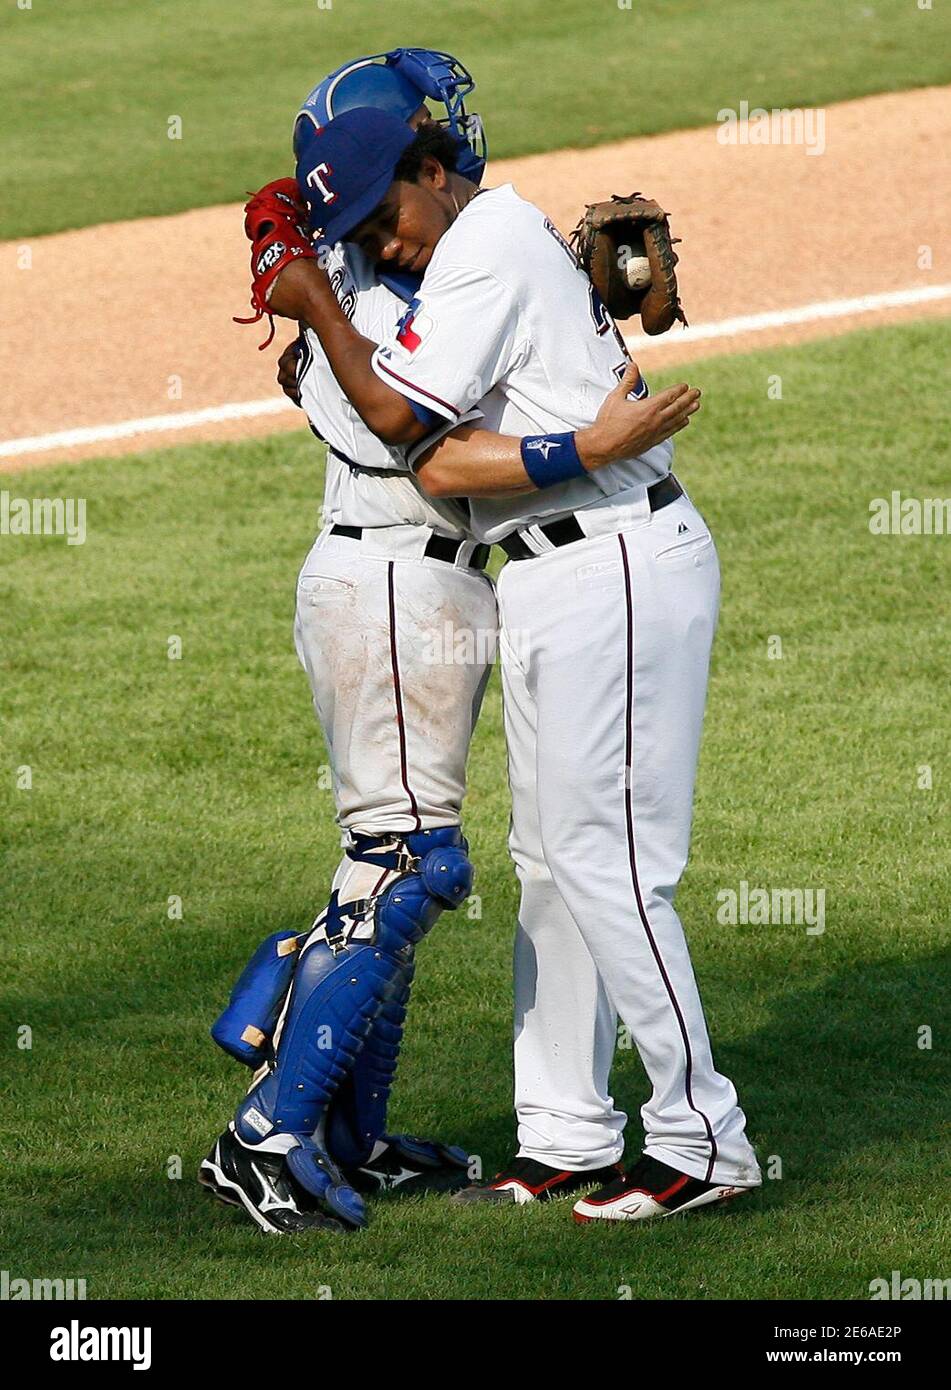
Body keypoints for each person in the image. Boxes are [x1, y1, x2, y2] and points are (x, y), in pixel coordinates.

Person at [200, 55, 693, 1235]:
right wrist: (310, 289)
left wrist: (578, 295)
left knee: (396, 861)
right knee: (408, 866)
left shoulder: (385, 273)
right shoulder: (348, 299)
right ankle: (270, 1132)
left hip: (437, 588)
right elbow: (411, 434)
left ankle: (349, 1137)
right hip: (385, 581)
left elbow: (463, 330)